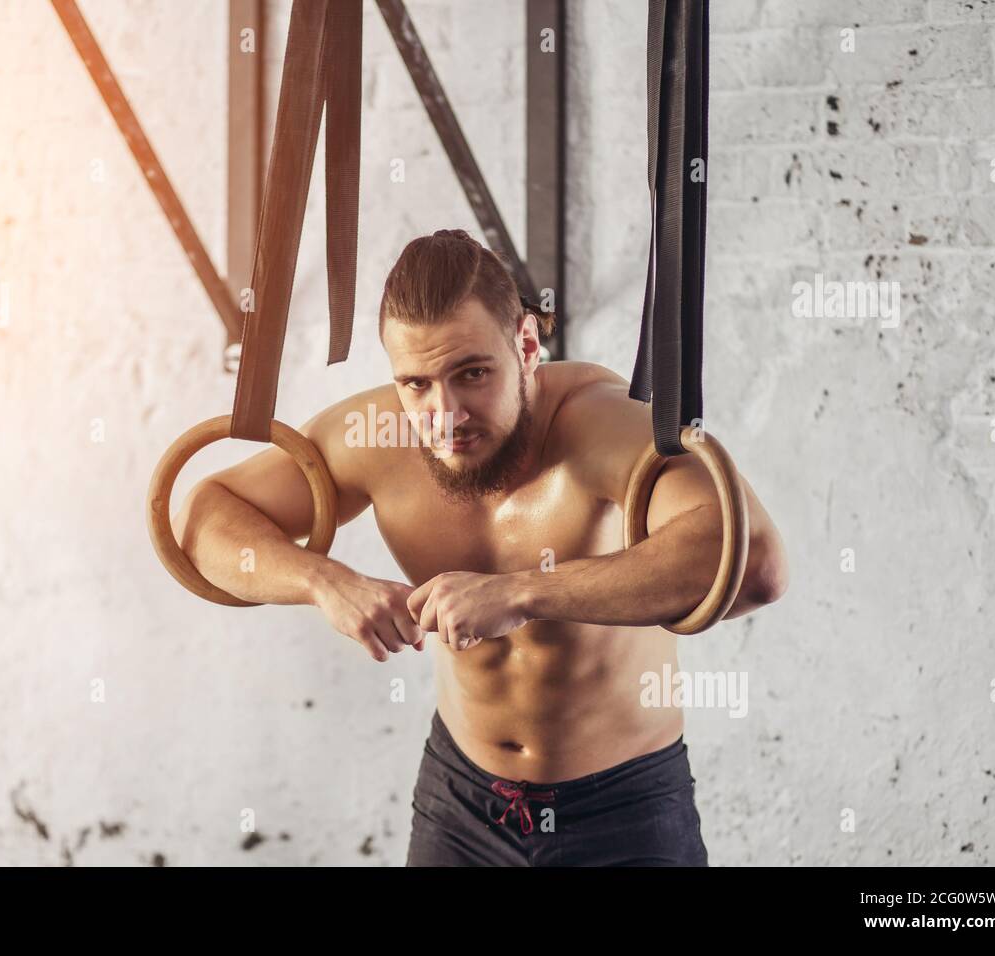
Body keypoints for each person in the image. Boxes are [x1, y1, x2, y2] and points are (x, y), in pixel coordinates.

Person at [172, 228, 788, 866]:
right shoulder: (378, 437)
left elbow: (754, 566)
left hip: (623, 807)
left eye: (472, 374)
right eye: (416, 384)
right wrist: (324, 582)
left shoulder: (600, 425)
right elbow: (202, 519)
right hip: (461, 801)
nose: (446, 414)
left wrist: (523, 593)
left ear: (525, 343)